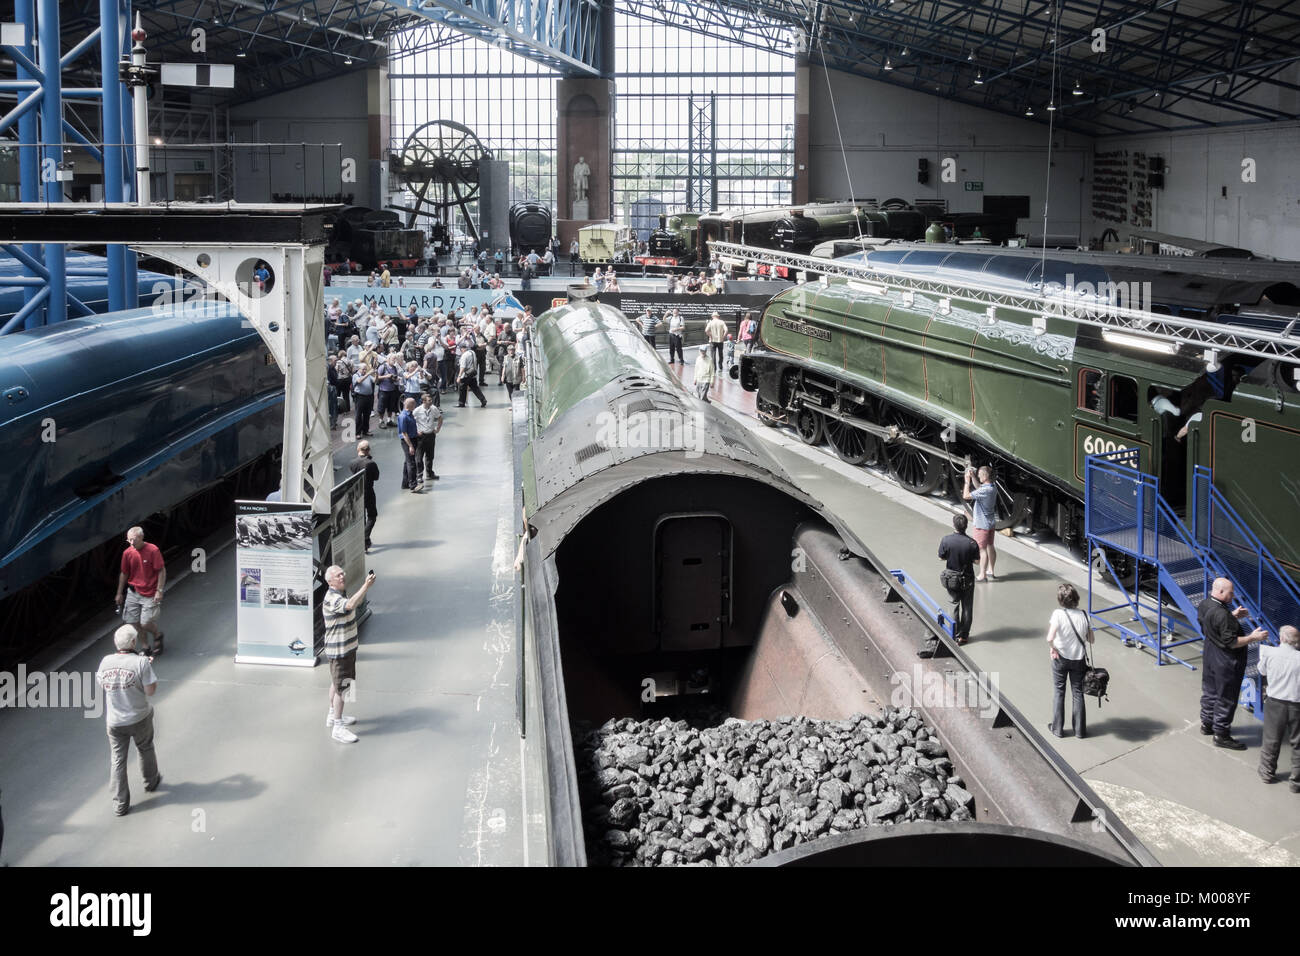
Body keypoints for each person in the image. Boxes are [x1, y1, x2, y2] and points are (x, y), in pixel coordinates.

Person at [1197, 577, 1270, 749]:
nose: (1233, 596)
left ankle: (1207, 724)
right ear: (1221, 591)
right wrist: (1253, 637)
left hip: (1210, 655)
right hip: (1226, 661)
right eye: (1230, 593)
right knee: (1227, 697)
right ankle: (1221, 734)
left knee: (1210, 691)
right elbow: (1232, 642)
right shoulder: (1222, 614)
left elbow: (1210, 624)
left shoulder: (1205, 604)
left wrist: (1232, 616)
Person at [96, 625, 162, 815]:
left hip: (115, 722)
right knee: (145, 747)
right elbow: (151, 691)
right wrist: (146, 667)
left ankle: (120, 804)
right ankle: (150, 781)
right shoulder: (141, 663)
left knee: (117, 760)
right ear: (134, 642)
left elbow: (103, 684)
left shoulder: (105, 661)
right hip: (139, 717)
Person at [322, 566, 376, 744]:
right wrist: (366, 586)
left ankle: (333, 715)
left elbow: (353, 602)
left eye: (342, 573)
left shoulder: (340, 595)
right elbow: (351, 605)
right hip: (340, 651)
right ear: (330, 581)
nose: (342, 576)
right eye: (338, 575)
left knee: (337, 683)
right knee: (343, 688)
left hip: (346, 649)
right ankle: (338, 727)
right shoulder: (332, 598)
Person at [1045, 583, 1094, 738]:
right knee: (1078, 693)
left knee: (1059, 692)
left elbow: (1049, 638)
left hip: (1060, 658)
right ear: (1076, 599)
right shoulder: (1084, 615)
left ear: (1061, 600)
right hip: (1078, 659)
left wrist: (1053, 648)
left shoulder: (1058, 614)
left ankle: (1057, 729)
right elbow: (1091, 640)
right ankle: (1080, 731)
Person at [1257, 625, 1300, 790]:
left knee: (1271, 740)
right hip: (1297, 704)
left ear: (1282, 638)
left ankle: (1267, 773)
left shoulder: (1270, 653)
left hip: (1275, 702)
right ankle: (1296, 782)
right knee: (1298, 743)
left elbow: (1261, 671)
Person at [115, 526, 166, 656]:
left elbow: (161, 570)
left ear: (141, 537)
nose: (132, 543)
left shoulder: (153, 550)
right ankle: (145, 646)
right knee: (133, 622)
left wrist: (159, 590)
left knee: (145, 623)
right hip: (133, 592)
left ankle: (157, 635)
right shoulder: (127, 553)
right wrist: (119, 593)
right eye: (129, 540)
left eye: (134, 540)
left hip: (150, 592)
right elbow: (124, 573)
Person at [937, 513, 979, 646]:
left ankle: (954, 633)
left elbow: (941, 557)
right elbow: (977, 561)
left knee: (953, 604)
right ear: (966, 526)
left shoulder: (946, 540)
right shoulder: (972, 543)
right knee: (967, 607)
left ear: (954, 525)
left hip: (952, 578)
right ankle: (964, 636)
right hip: (967, 579)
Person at [962, 466, 998, 581]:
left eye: (979, 475)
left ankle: (982, 575)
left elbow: (966, 496)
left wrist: (967, 482)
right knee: (990, 546)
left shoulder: (985, 490)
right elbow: (979, 488)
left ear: (985, 476)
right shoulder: (992, 486)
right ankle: (991, 570)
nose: (978, 476)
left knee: (981, 550)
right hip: (990, 523)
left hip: (982, 525)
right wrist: (973, 477)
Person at [349, 440, 380, 551]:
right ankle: (365, 538)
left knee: (362, 517)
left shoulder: (352, 463)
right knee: (372, 516)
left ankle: (365, 541)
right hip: (368, 492)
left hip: (357, 493)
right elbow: (376, 477)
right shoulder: (371, 463)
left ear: (358, 449)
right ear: (368, 450)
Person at [413, 392, 444, 482]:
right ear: (423, 401)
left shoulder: (434, 408)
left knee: (430, 456)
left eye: (431, 400)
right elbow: (411, 421)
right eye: (429, 400)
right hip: (421, 436)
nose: (431, 401)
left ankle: (429, 473)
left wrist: (437, 429)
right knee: (419, 457)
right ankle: (419, 475)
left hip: (431, 435)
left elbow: (440, 418)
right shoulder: (417, 410)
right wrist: (416, 431)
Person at [397, 397, 421, 493]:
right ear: (410, 405)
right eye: (414, 404)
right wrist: (410, 446)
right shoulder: (403, 416)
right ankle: (413, 485)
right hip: (408, 441)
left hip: (413, 439)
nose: (415, 405)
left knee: (407, 462)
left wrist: (416, 433)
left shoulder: (410, 414)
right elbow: (404, 433)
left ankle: (405, 483)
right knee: (411, 463)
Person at [352, 363, 376, 437]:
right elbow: (359, 381)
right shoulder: (356, 375)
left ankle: (365, 430)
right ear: (359, 369)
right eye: (363, 369)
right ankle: (358, 433)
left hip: (368, 397)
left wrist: (377, 374)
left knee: (367, 414)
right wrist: (368, 373)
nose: (364, 371)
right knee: (359, 415)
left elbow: (375, 381)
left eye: (365, 369)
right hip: (360, 397)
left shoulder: (367, 375)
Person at [705, 311, 728, 378]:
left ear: (712, 316)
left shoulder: (710, 322)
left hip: (712, 341)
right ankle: (720, 365)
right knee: (720, 354)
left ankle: (714, 368)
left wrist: (710, 336)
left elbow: (706, 330)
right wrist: (723, 336)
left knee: (713, 355)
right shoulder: (722, 322)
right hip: (720, 340)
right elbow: (726, 330)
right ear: (718, 316)